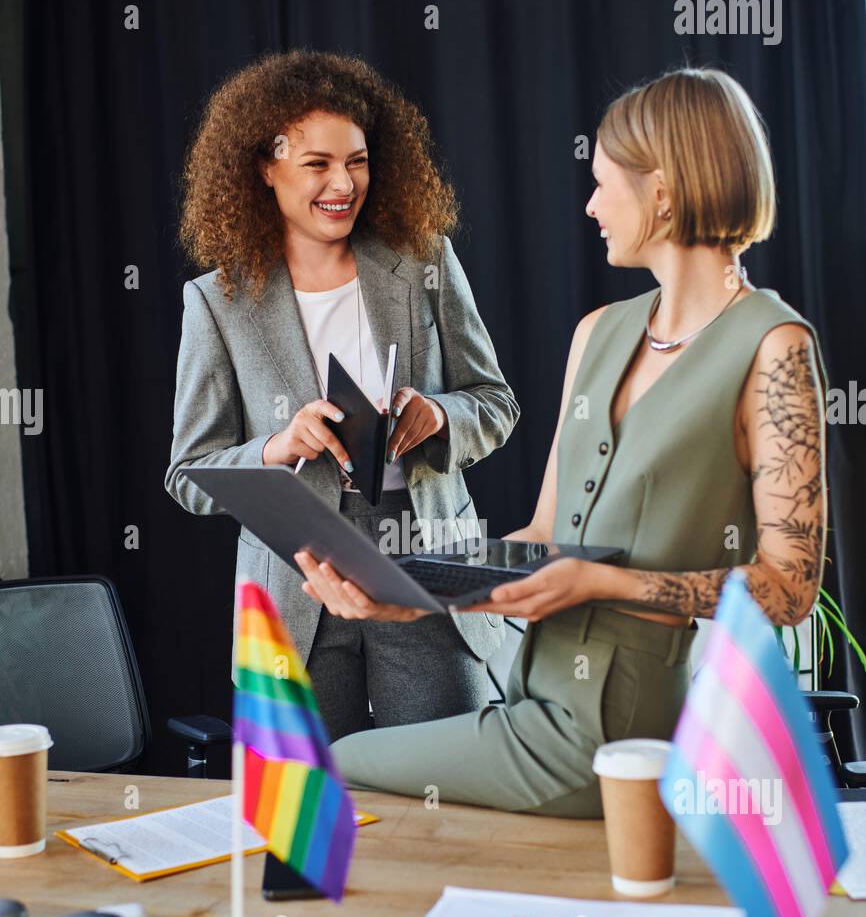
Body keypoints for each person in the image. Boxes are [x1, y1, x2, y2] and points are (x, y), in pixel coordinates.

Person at [296, 66, 829, 817]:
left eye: (604, 182)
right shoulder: (599, 334)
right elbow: (545, 536)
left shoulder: (774, 347)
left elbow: (789, 588)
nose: (590, 204)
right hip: (534, 690)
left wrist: (606, 584)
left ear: (664, 191)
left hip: (622, 729)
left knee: (339, 764)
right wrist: (409, 598)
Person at [166, 49, 519, 740]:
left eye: (356, 160)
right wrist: (278, 445)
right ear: (265, 170)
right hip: (294, 595)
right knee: (306, 828)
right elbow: (189, 475)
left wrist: (440, 415)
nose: (343, 182)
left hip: (426, 575)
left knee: (441, 811)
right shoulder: (217, 302)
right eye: (317, 164)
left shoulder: (427, 261)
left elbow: (496, 402)